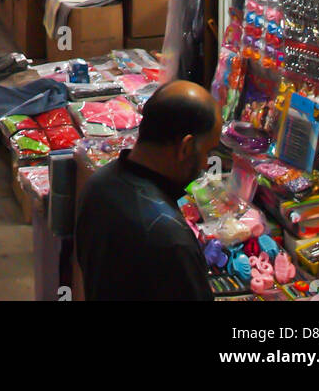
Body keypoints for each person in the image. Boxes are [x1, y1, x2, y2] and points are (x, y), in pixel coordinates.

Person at [74, 81, 221, 302]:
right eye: (207, 152)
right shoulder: (171, 240)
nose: (205, 164)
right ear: (186, 148)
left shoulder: (98, 184)